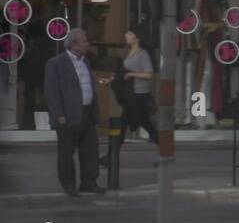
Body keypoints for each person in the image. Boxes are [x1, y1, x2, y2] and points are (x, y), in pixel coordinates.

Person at [43, 28, 105, 196]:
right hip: (67, 116)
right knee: (66, 153)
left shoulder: (86, 61)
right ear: (73, 44)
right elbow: (51, 92)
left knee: (90, 151)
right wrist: (58, 115)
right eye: (84, 41)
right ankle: (68, 185)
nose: (88, 44)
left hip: (87, 114)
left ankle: (89, 183)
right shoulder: (56, 63)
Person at [102, 29, 159, 166]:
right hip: (132, 97)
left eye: (130, 34)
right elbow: (124, 72)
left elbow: (149, 75)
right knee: (148, 127)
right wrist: (111, 79)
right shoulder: (128, 53)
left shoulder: (142, 54)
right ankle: (167, 152)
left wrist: (132, 75)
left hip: (140, 97)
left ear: (137, 38)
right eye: (126, 33)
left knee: (122, 127)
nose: (126, 36)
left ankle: (111, 157)